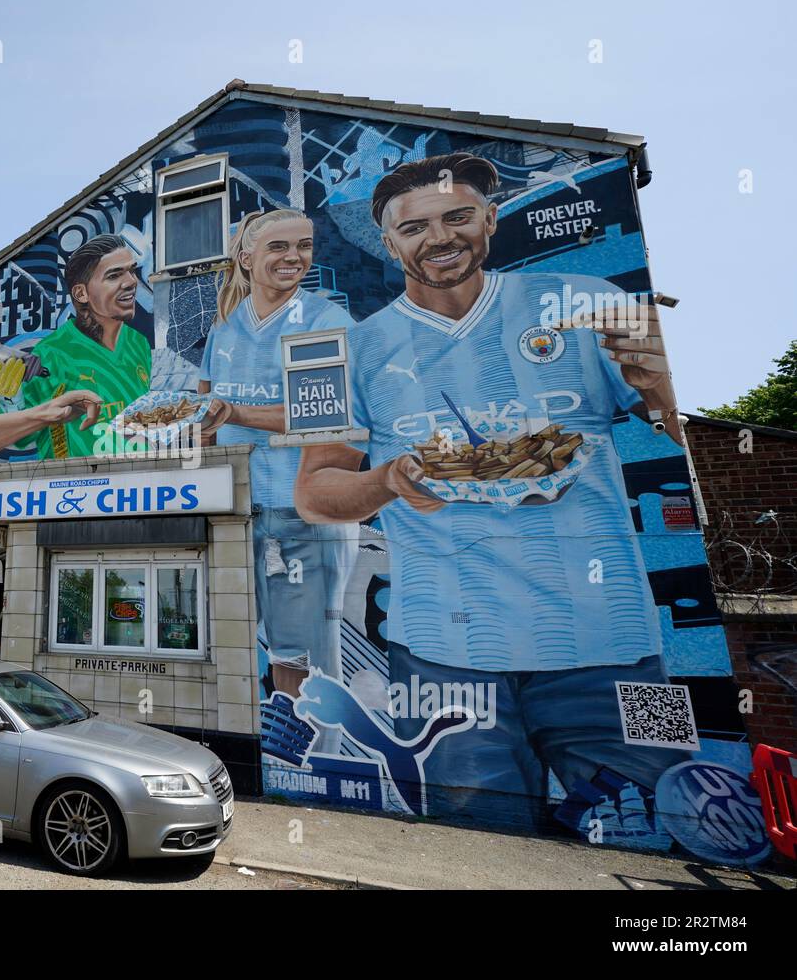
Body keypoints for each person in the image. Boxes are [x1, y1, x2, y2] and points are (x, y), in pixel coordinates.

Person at [294, 152, 689, 825]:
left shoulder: (590, 304)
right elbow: (314, 491)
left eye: (457, 217)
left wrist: (659, 387)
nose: (439, 238)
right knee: (478, 847)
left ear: (491, 220)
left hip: (616, 647)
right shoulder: (335, 354)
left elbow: (682, 440)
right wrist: (386, 479)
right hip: (444, 662)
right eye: (414, 229)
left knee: (658, 830)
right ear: (389, 245)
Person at [198, 209, 359, 753]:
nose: (295, 258)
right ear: (246, 258)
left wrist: (233, 412)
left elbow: (325, 413)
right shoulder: (223, 330)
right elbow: (204, 406)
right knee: (242, 639)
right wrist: (193, 430)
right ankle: (269, 748)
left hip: (304, 505)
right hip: (238, 507)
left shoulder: (323, 319)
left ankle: (317, 759)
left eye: (304, 246)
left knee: (304, 647)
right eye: (279, 248)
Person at [0, 234, 151, 463]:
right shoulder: (51, 353)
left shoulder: (138, 343)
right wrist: (11, 399)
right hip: (73, 487)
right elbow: (23, 438)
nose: (131, 281)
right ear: (81, 293)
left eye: (131, 270)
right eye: (114, 275)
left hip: (141, 484)